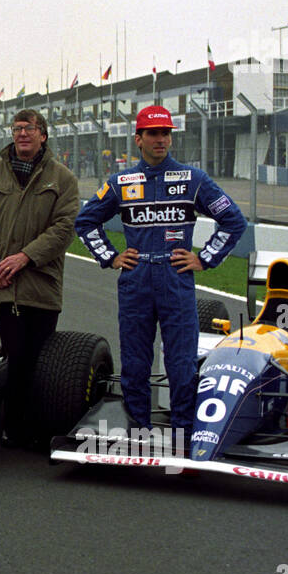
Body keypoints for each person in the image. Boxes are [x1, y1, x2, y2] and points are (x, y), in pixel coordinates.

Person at [74, 105, 246, 447]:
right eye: (153, 133)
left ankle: (185, 439)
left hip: (175, 277)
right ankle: (137, 437)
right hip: (135, 279)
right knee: (135, 364)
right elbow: (85, 221)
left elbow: (234, 221)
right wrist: (111, 257)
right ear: (138, 139)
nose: (161, 140)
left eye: (166, 133)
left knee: (182, 365)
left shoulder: (193, 180)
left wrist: (204, 259)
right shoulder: (121, 182)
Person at [0, 109, 80, 448]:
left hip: (41, 287)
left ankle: (35, 430)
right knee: (4, 361)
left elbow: (64, 228)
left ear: (43, 135)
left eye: (29, 128)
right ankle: (5, 427)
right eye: (17, 128)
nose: (22, 134)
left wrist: (25, 257)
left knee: (40, 366)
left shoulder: (62, 179)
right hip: (0, 289)